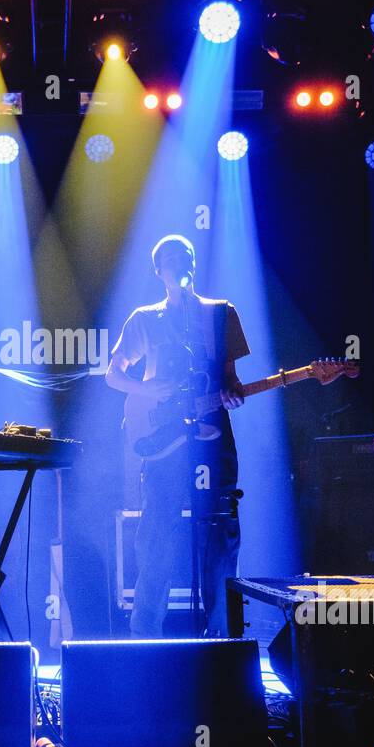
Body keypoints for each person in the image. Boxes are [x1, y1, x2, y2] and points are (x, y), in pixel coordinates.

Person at [106, 235, 248, 637]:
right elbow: (113, 374)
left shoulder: (221, 314)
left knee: (218, 539)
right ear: (157, 271)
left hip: (212, 440)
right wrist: (150, 390)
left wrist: (232, 394)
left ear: (193, 264)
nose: (177, 263)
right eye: (168, 258)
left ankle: (221, 639)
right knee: (157, 540)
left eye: (183, 256)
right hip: (164, 442)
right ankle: (146, 642)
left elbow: (231, 381)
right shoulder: (144, 319)